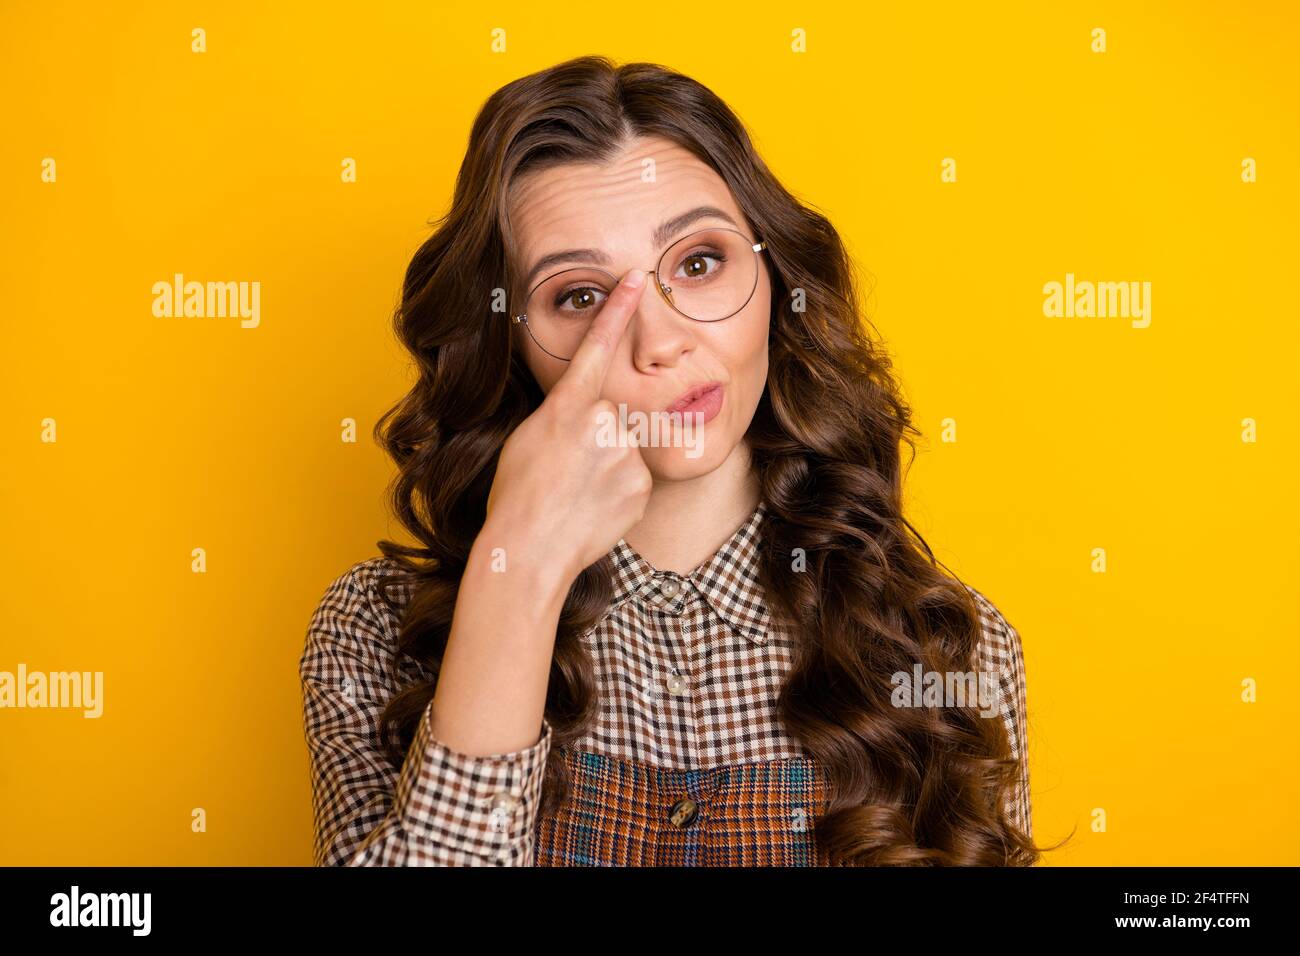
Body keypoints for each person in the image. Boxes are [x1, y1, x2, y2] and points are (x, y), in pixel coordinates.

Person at [300, 55, 1047, 866]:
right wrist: (514, 582)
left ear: (774, 277)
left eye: (698, 263)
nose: (660, 343)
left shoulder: (946, 651)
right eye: (580, 296)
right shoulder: (376, 633)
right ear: (509, 345)